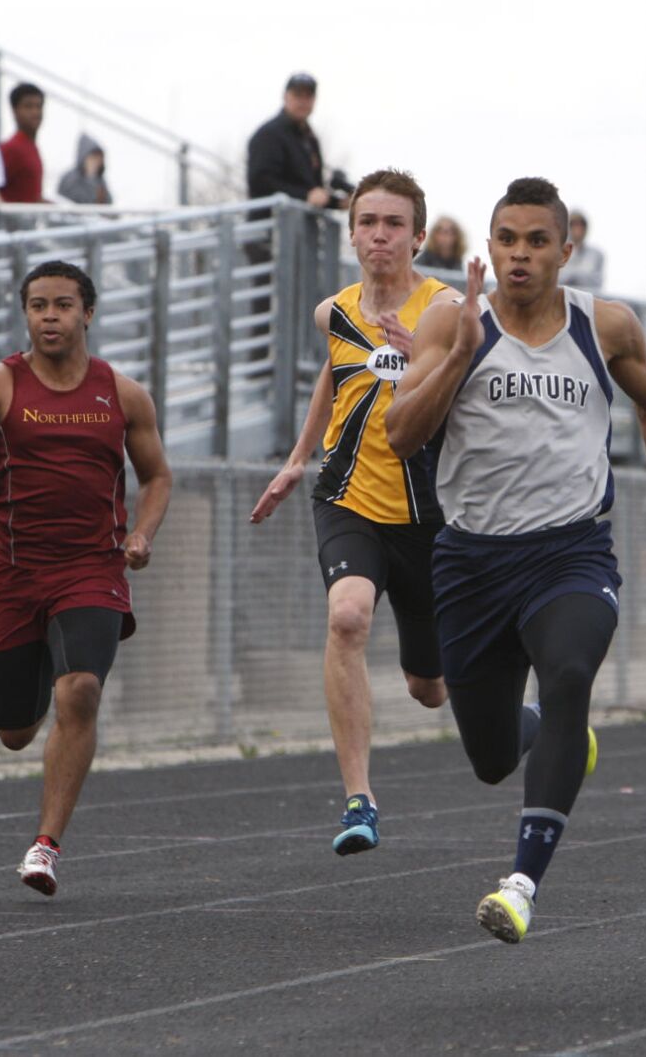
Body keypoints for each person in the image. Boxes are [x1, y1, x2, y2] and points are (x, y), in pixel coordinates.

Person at [385, 176, 646, 943]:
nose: (520, 255)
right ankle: (543, 731)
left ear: (566, 250)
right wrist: (460, 355)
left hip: (570, 553)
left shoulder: (605, 327)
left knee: (570, 674)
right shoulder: (449, 321)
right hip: (470, 563)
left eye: (538, 242)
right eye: (507, 240)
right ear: (490, 246)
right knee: (492, 757)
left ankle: (522, 883)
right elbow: (402, 436)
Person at [0, 260, 172, 896]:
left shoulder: (121, 394)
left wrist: (143, 531)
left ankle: (45, 846)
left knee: (81, 692)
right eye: (38, 305)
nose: (49, 317)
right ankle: (41, 664)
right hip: (13, 574)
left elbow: (156, 476)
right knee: (15, 732)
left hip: (91, 569)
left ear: (87, 313)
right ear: (26, 314)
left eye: (63, 305)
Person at [250, 169, 454, 855]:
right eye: (368, 222)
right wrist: (297, 456)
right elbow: (337, 377)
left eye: (394, 224)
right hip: (348, 499)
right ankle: (358, 800)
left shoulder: (446, 310)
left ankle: (498, 705)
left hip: (427, 515)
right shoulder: (332, 312)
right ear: (352, 233)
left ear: (418, 236)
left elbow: (473, 395)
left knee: (429, 689)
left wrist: (424, 357)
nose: (379, 235)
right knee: (347, 618)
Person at [246, 72, 334, 210]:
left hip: (303, 227)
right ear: (285, 96)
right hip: (271, 226)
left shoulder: (310, 139)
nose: (303, 101)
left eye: (308, 96)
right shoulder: (269, 134)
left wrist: (339, 202)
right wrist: (305, 195)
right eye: (298, 95)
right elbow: (261, 182)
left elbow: (314, 189)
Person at [0, 82, 45, 203]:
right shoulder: (10, 149)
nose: (35, 112)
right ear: (14, 111)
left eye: (39, 106)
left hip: (32, 219)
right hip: (14, 221)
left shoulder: (31, 147)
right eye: (28, 106)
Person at [57, 134, 113, 205]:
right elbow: (66, 202)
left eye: (99, 159)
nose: (96, 162)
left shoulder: (100, 181)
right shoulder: (70, 179)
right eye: (93, 158)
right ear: (84, 157)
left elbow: (109, 203)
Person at [557, 209, 604, 290]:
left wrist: (573, 276)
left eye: (581, 225)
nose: (578, 229)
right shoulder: (558, 251)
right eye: (573, 225)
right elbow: (556, 279)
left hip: (587, 297)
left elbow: (596, 281)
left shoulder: (596, 255)